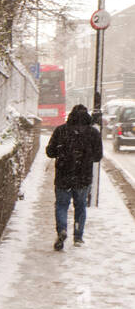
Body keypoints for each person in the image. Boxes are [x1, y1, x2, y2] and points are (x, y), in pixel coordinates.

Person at [45, 103, 103, 250]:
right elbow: (98, 156)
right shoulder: (93, 133)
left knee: (62, 205)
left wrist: (62, 152)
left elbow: (50, 152)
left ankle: (62, 230)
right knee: (81, 206)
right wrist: (86, 156)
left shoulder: (61, 131)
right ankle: (78, 236)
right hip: (83, 177)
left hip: (64, 176)